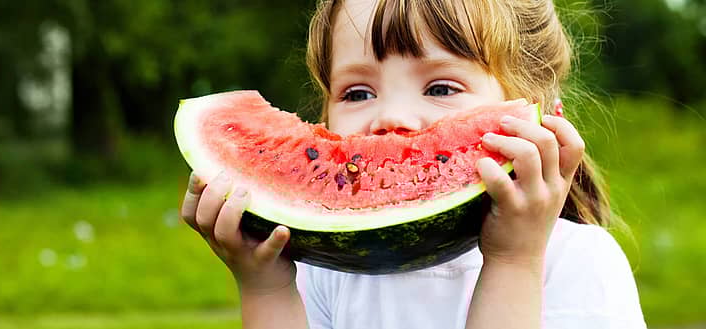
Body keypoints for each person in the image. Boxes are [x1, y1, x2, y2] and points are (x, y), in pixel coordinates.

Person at [180, 0, 647, 328]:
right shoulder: (325, 272)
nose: (391, 118)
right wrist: (265, 287)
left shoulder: (578, 262)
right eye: (358, 93)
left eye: (441, 88)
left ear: (540, 116)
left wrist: (514, 260)